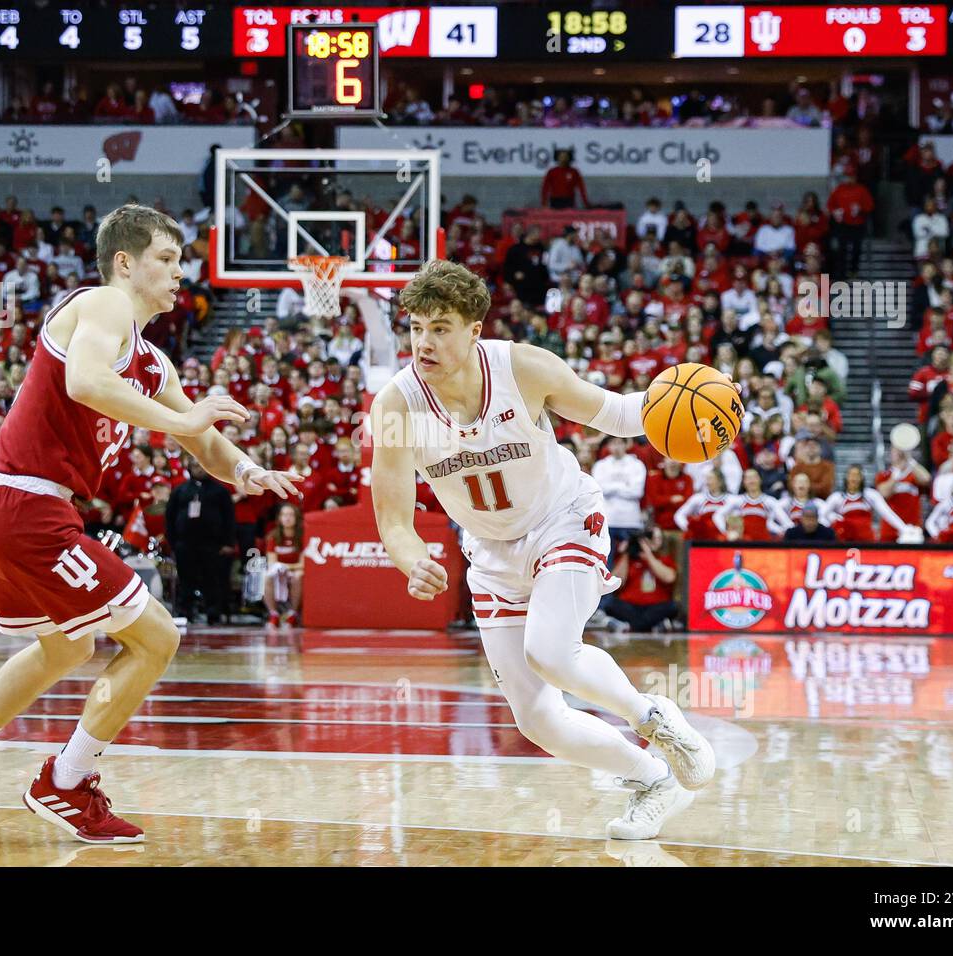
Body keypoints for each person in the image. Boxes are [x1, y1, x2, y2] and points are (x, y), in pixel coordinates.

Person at [0, 204, 302, 844]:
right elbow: (87, 381)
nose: (181, 273)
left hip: (10, 505)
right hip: (23, 502)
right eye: (167, 260)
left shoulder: (153, 362)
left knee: (68, 645)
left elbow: (204, 445)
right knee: (157, 638)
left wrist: (248, 471)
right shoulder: (105, 305)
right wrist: (184, 421)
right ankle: (65, 782)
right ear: (125, 263)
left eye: (181, 261)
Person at [369, 260, 715, 843]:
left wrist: (681, 403)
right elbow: (393, 517)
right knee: (536, 720)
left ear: (475, 330)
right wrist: (409, 559)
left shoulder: (521, 367)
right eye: (416, 327)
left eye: (441, 327)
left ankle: (655, 719)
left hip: (564, 519)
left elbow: (617, 413)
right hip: (492, 552)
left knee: (551, 650)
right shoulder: (398, 406)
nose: (423, 342)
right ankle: (653, 779)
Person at [165, 458, 237, 625]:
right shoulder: (180, 490)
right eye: (195, 466)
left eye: (202, 465)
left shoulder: (221, 491)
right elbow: (170, 517)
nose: (199, 469)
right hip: (185, 543)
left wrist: (228, 542)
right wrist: (173, 542)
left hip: (212, 544)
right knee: (186, 580)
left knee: (212, 579)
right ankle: (185, 612)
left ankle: (214, 613)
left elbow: (229, 518)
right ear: (190, 467)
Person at [599, 525, 681, 634]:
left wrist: (648, 555)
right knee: (610, 604)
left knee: (672, 607)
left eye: (658, 538)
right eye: (651, 537)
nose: (654, 542)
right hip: (630, 606)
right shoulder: (628, 559)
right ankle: (653, 627)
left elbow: (669, 578)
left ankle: (628, 626)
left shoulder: (665, 559)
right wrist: (627, 552)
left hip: (654, 607)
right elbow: (616, 581)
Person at [262, 502, 304, 628]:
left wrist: (286, 567)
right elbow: (271, 562)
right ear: (279, 518)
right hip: (279, 570)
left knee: (298, 576)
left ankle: (293, 614)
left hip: (296, 571)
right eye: (284, 515)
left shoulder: (303, 536)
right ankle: (273, 614)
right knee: (267, 576)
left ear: (296, 518)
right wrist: (282, 567)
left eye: (291, 515)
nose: (287, 518)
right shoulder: (273, 536)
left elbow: (303, 564)